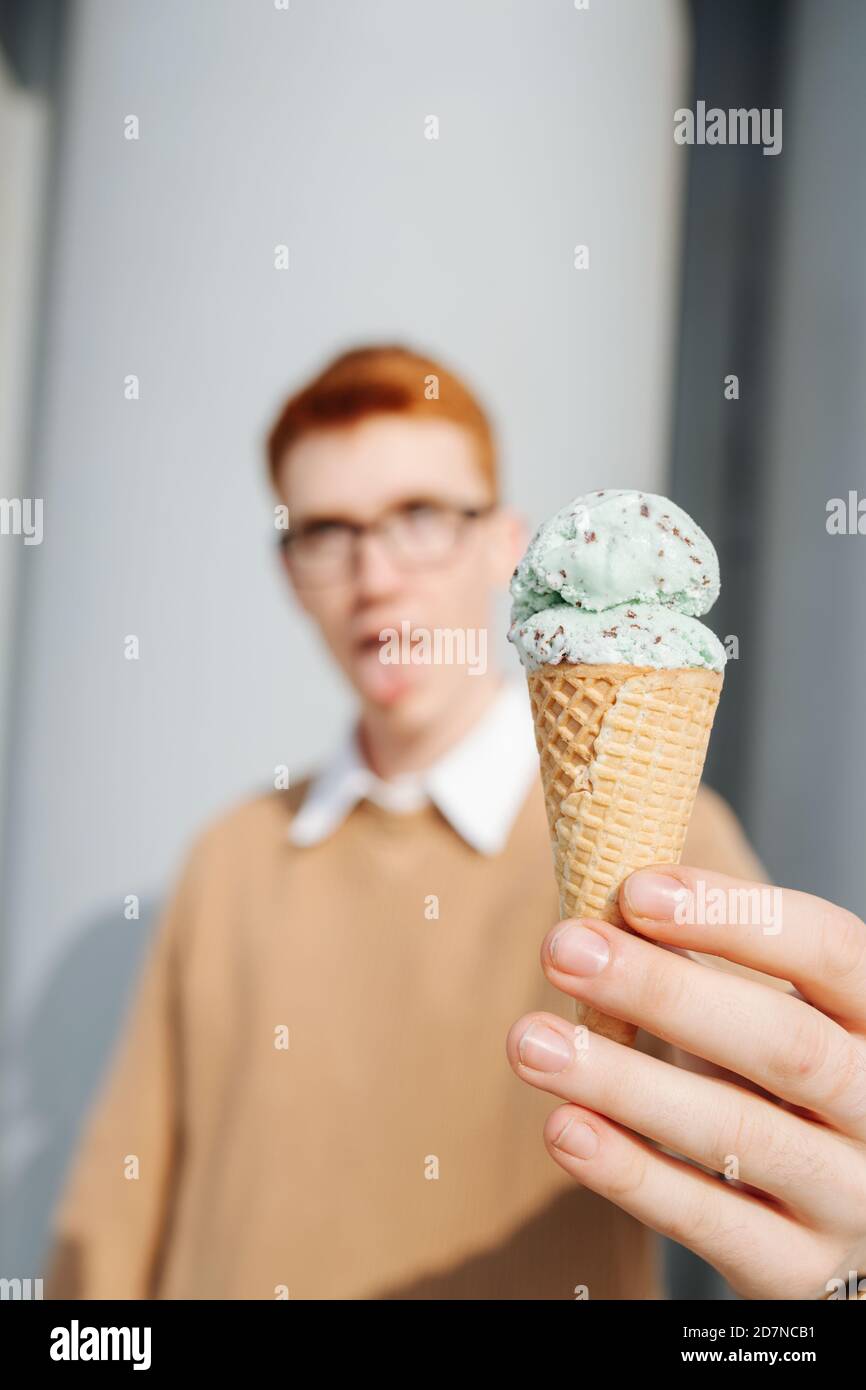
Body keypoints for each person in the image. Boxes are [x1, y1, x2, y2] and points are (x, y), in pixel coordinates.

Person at [45, 345, 866, 1300]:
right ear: (290, 573)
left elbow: (774, 1160)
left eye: (421, 517)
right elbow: (107, 1229)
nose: (375, 575)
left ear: (504, 544)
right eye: (326, 531)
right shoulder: (229, 858)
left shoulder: (676, 854)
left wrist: (838, 1272)